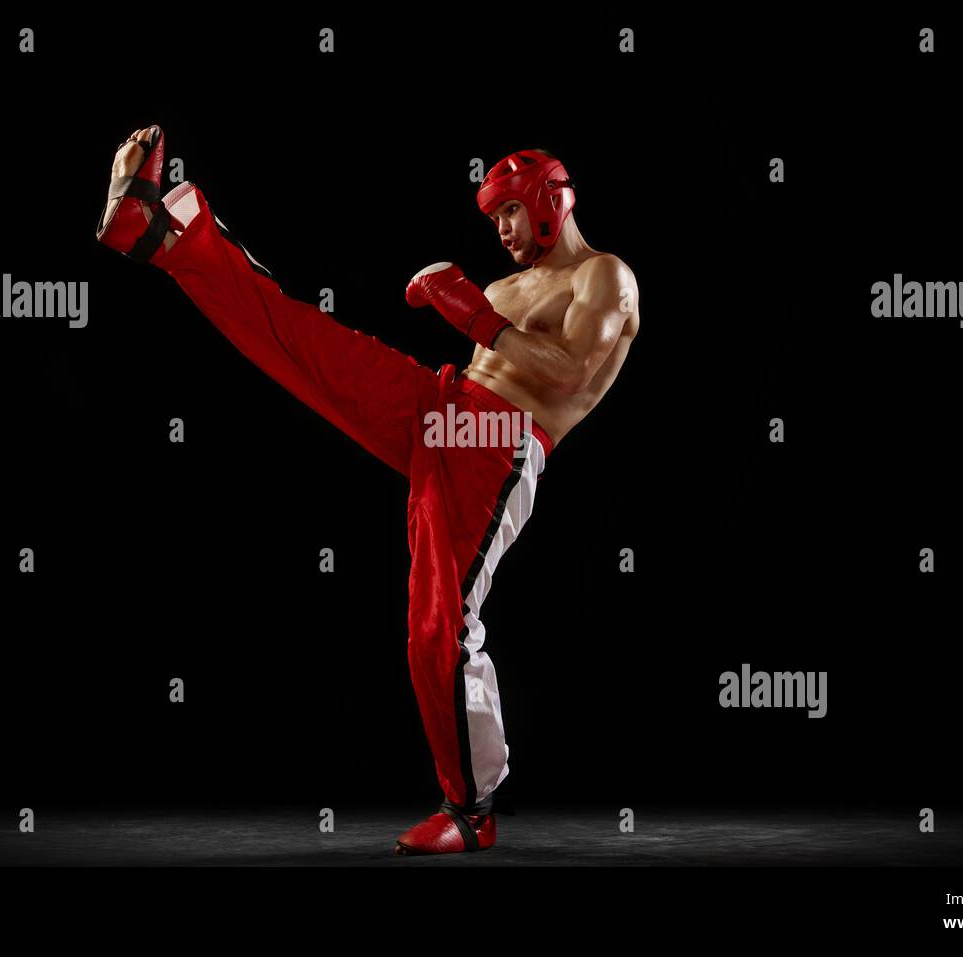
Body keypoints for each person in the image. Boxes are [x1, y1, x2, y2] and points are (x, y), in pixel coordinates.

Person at [97, 128, 639, 854]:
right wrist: (478, 312)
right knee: (306, 342)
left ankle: (471, 807)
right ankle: (166, 235)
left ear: (550, 199)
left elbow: (570, 373)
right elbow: (491, 352)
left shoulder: (605, 277)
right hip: (444, 406)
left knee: (436, 627)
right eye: (494, 219)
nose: (502, 230)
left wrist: (470, 313)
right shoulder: (508, 286)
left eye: (509, 211)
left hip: (495, 445)